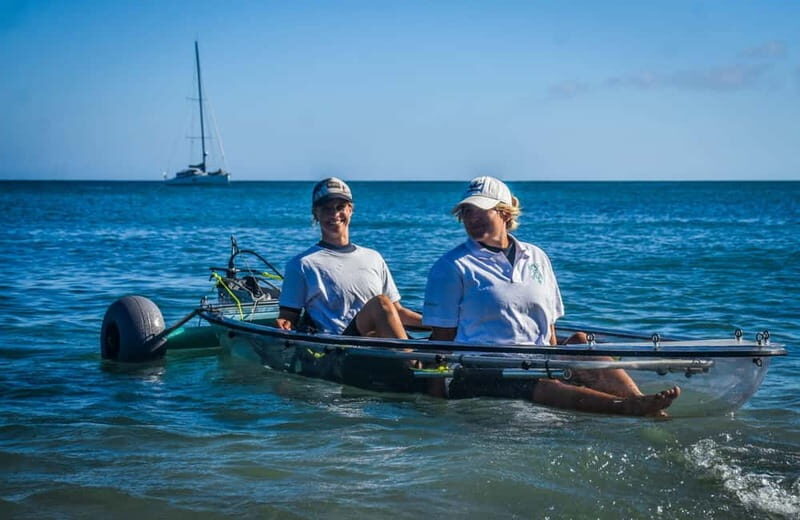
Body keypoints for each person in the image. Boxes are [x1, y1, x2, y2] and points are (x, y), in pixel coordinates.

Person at [422, 176, 680, 416]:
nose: (472, 218)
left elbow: (550, 327)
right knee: (539, 382)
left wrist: (560, 363)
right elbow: (441, 342)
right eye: (467, 212)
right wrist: (437, 399)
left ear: (503, 213)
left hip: (536, 361)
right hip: (480, 370)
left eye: (481, 211)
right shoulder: (452, 266)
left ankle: (640, 400)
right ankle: (625, 407)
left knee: (580, 341)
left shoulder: (536, 256)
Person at [276, 177, 422, 338]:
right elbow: (288, 316)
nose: (335, 214)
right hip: (338, 349)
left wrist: (440, 323)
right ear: (315, 213)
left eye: (340, 207)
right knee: (380, 303)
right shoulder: (301, 264)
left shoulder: (373, 257)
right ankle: (413, 362)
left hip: (378, 343)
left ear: (350, 210)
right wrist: (284, 323)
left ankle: (417, 358)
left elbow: (397, 312)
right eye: (327, 209)